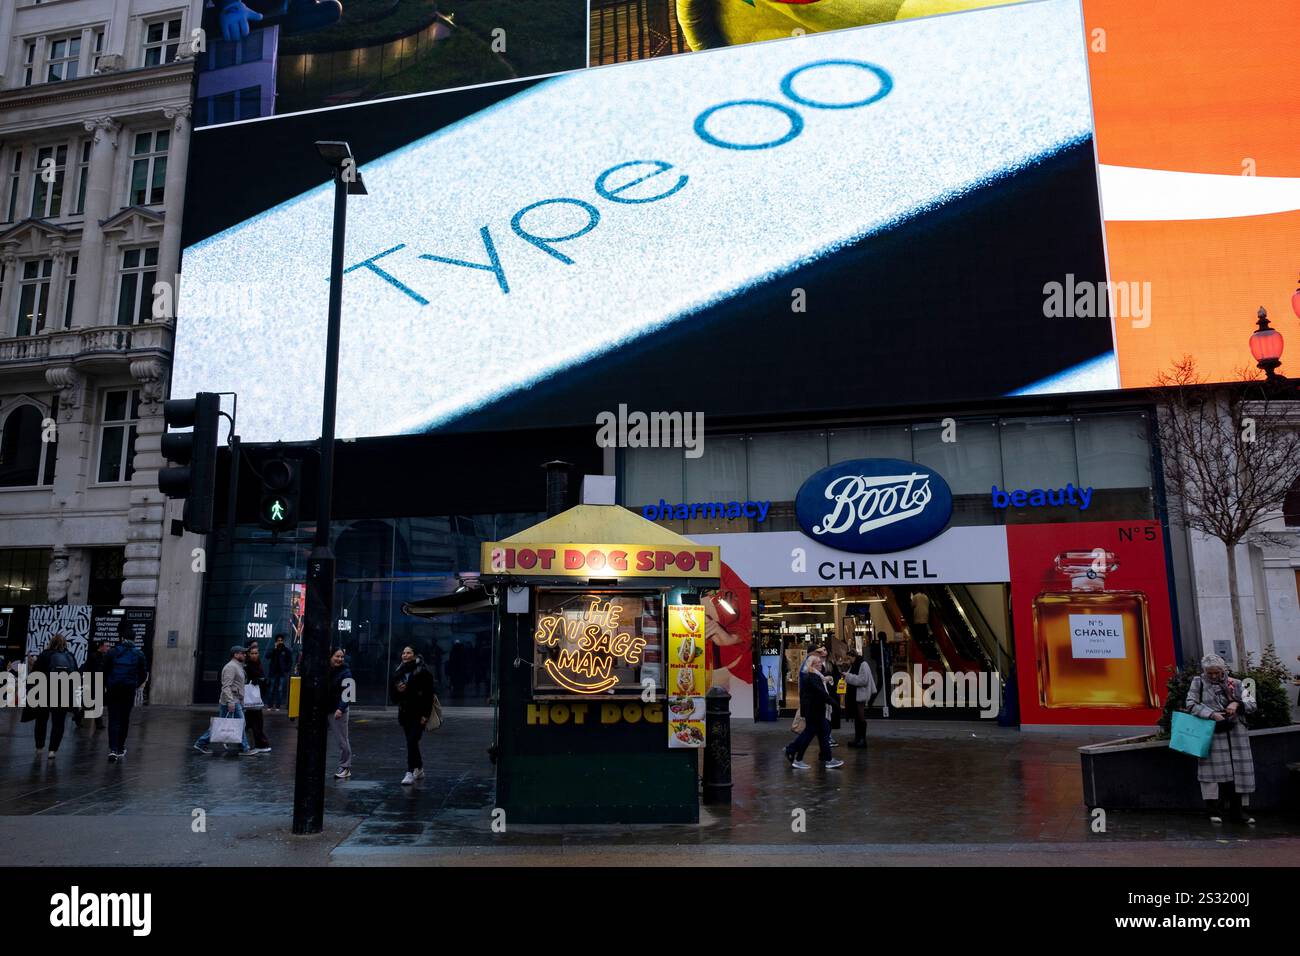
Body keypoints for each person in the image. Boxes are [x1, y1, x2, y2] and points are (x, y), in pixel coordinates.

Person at [1186, 654, 1257, 825]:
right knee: (1212, 773)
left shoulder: (1238, 683)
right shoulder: (1198, 682)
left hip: (1236, 733)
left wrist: (1237, 704)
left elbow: (1253, 704)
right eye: (1209, 673)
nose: (1213, 676)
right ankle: (1213, 810)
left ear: (1223, 670)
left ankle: (1240, 811)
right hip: (1211, 731)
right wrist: (1211, 714)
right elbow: (1190, 703)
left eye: (1216, 673)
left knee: (1239, 771)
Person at [783, 654, 843, 770]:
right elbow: (821, 693)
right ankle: (796, 754)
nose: (821, 664)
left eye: (820, 662)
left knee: (821, 733)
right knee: (811, 734)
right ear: (812, 665)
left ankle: (825, 758)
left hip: (815, 710)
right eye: (818, 663)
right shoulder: (813, 677)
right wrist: (835, 704)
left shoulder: (816, 676)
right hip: (815, 711)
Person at [193, 645, 255, 756]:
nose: (245, 655)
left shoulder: (238, 666)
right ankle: (245, 748)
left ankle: (201, 743)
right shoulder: (231, 667)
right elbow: (226, 686)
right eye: (242, 653)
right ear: (235, 655)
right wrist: (230, 701)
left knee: (223, 725)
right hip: (231, 701)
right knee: (240, 723)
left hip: (235, 700)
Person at [391, 646, 434, 785]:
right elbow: (393, 698)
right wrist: (399, 691)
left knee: (411, 740)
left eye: (409, 653)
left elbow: (429, 695)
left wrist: (426, 715)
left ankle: (409, 771)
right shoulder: (398, 671)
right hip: (405, 713)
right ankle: (419, 768)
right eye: (403, 653)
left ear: (415, 655)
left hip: (419, 713)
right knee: (412, 742)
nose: (405, 655)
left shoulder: (423, 671)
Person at [33, 634, 79, 760]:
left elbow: (35, 673)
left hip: (44, 690)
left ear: (51, 642)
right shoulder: (69, 656)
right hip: (62, 692)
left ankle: (39, 747)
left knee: (41, 719)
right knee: (58, 722)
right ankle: (52, 750)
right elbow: (76, 675)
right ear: (65, 644)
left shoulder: (45, 655)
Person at [105, 630, 148, 762]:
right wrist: (134, 685)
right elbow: (143, 674)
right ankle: (120, 748)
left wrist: (108, 684)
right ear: (135, 639)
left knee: (113, 719)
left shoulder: (112, 652)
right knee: (124, 719)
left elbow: (105, 670)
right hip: (128, 690)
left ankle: (112, 749)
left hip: (114, 689)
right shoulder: (139, 654)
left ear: (122, 638)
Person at [843, 649, 878, 747]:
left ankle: (862, 740)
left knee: (861, 716)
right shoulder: (854, 664)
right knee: (857, 716)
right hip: (855, 694)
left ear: (853, 656)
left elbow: (863, 680)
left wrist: (848, 676)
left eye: (849, 658)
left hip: (860, 695)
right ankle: (857, 738)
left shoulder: (863, 664)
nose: (848, 660)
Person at [242, 642, 272, 753]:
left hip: (255, 699)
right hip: (251, 699)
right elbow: (245, 681)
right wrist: (257, 681)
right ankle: (260, 744)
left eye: (256, 653)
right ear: (248, 654)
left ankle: (242, 743)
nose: (254, 655)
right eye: (252, 653)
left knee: (250, 723)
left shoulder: (257, 664)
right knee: (256, 722)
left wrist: (264, 681)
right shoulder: (247, 666)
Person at [328, 648, 353, 779]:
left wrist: (340, 708)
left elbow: (349, 693)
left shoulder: (346, 672)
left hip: (338, 710)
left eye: (342, 657)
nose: (340, 659)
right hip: (328, 708)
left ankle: (345, 766)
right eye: (337, 656)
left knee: (342, 739)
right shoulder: (327, 670)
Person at [84, 641, 110, 732]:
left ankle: (98, 723)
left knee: (95, 703)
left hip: (99, 682)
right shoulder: (93, 656)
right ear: (101, 646)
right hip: (93, 681)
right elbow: (87, 669)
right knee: (89, 704)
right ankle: (81, 719)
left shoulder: (105, 657)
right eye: (106, 646)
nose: (108, 648)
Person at [266, 634, 293, 712]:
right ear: (276, 641)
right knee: (271, 689)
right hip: (273, 673)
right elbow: (267, 656)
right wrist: (274, 648)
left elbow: (290, 661)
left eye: (281, 640)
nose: (280, 642)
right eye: (278, 640)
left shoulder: (286, 650)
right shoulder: (273, 649)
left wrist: (286, 669)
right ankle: (270, 706)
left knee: (280, 689)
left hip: (281, 673)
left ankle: (278, 706)